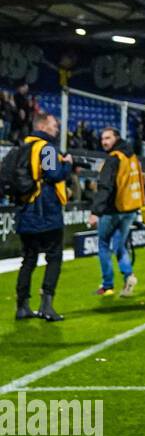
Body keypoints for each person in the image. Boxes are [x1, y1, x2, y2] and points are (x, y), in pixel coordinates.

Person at [14, 113, 72, 322]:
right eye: (54, 126)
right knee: (54, 257)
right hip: (44, 212)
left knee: (28, 260)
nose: (57, 130)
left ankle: (22, 306)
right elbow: (53, 174)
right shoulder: (46, 148)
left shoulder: (21, 148)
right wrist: (66, 165)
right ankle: (46, 305)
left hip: (24, 211)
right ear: (44, 126)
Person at [87, 127, 145, 298]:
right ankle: (128, 275)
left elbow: (105, 187)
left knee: (104, 245)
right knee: (120, 246)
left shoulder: (113, 159)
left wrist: (95, 212)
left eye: (108, 138)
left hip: (113, 209)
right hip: (130, 209)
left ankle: (107, 285)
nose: (104, 142)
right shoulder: (131, 156)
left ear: (116, 138)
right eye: (102, 139)